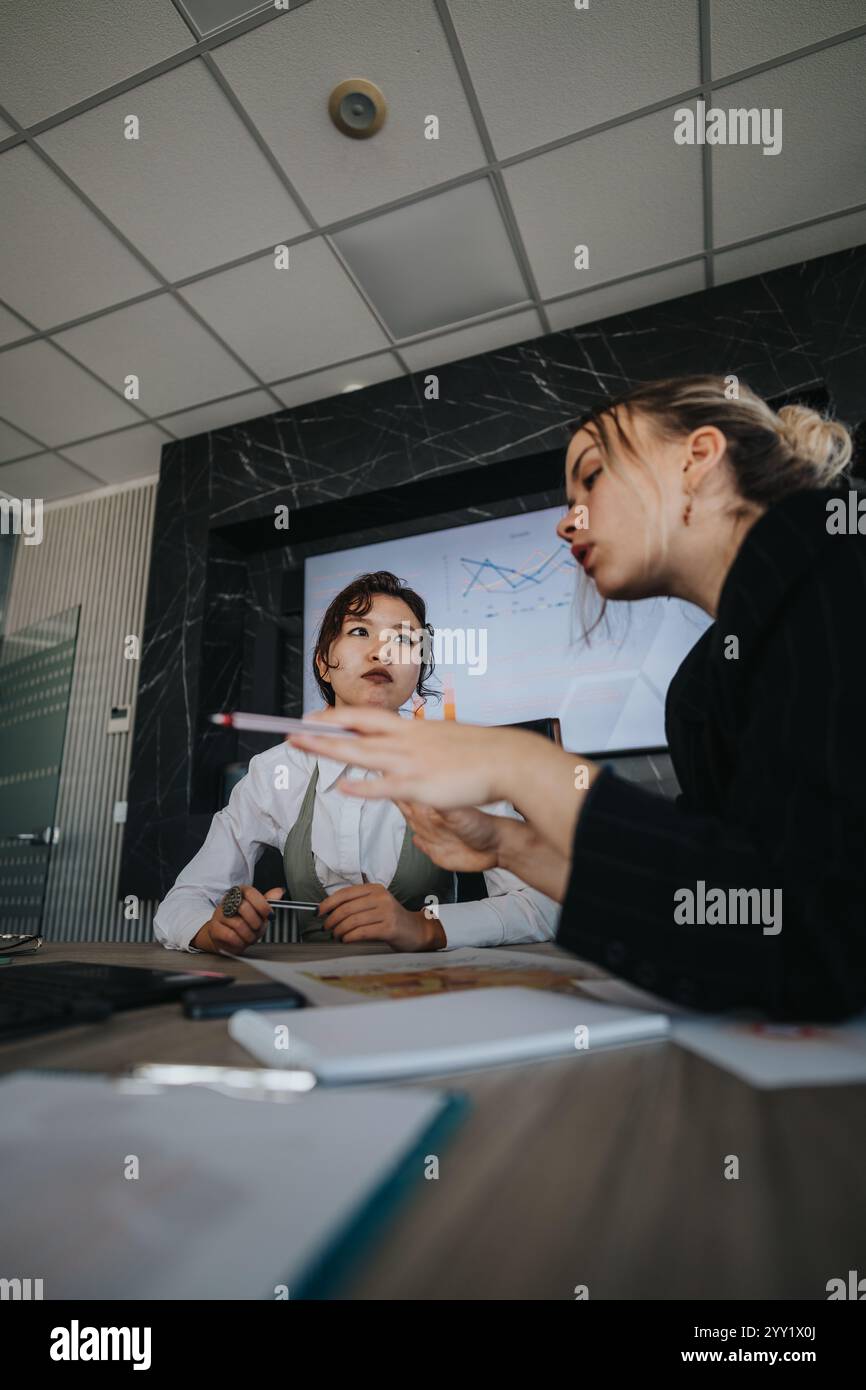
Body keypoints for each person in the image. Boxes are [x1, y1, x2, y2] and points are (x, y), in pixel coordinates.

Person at [289, 375, 866, 1021]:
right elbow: (746, 917)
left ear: (698, 458)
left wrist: (522, 765)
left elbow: (819, 941)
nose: (568, 523)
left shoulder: (841, 573)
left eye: (591, 478)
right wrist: (511, 845)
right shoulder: (704, 686)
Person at [153, 570, 557, 956]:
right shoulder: (274, 773)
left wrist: (427, 927)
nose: (382, 651)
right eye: (360, 631)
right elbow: (182, 903)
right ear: (324, 662)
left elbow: (543, 907)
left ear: (416, 670)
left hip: (427, 994)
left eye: (403, 641)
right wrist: (212, 929)